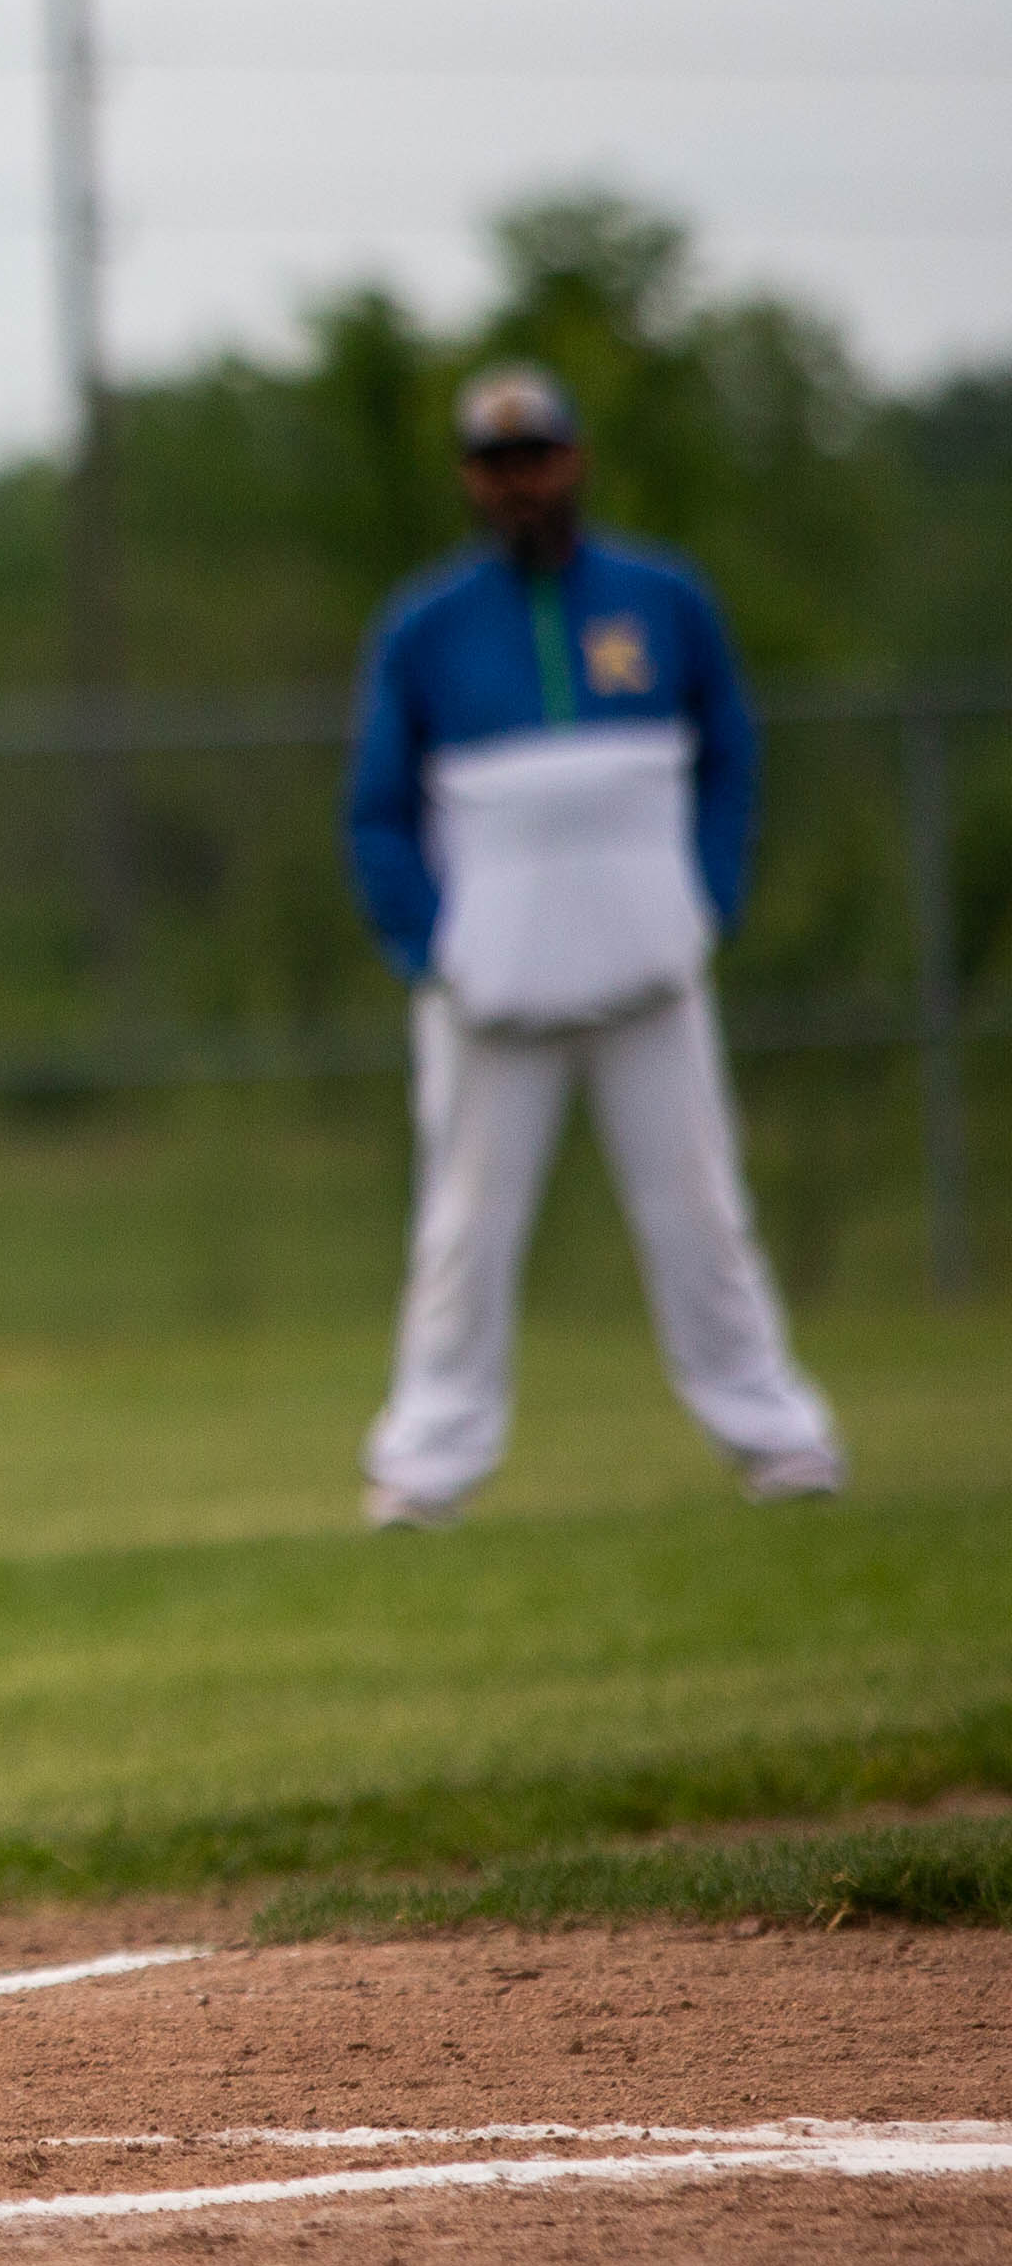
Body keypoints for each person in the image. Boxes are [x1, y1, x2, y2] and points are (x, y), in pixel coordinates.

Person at [342, 363, 843, 1527]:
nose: (520, 482)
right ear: (471, 480)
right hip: (491, 988)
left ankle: (777, 1434)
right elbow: (377, 810)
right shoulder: (425, 629)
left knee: (702, 1213)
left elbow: (730, 761)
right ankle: (425, 1465)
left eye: (538, 457)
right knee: (464, 1231)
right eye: (496, 464)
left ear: (574, 459)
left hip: (648, 972)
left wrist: (702, 900)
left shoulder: (663, 601)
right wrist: (431, 947)